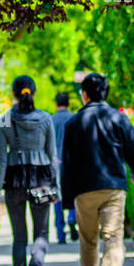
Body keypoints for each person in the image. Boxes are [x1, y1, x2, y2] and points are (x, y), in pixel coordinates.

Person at [59, 72, 134, 266]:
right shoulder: (118, 118)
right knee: (113, 235)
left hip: (84, 188)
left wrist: (67, 199)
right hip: (113, 186)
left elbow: (68, 163)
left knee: (88, 239)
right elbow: (133, 149)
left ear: (84, 95)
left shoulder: (73, 122)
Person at [0, 75, 59, 266]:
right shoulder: (46, 119)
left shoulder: (5, 120)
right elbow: (51, 156)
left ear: (14, 94)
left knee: (19, 237)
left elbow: (1, 159)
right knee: (41, 233)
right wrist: (56, 186)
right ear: (34, 93)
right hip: (41, 179)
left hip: (15, 180)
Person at [50, 92, 79, 245]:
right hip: (72, 163)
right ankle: (72, 218)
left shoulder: (51, 120)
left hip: (55, 163)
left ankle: (61, 234)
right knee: (73, 194)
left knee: (57, 197)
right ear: (68, 103)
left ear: (56, 103)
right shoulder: (74, 118)